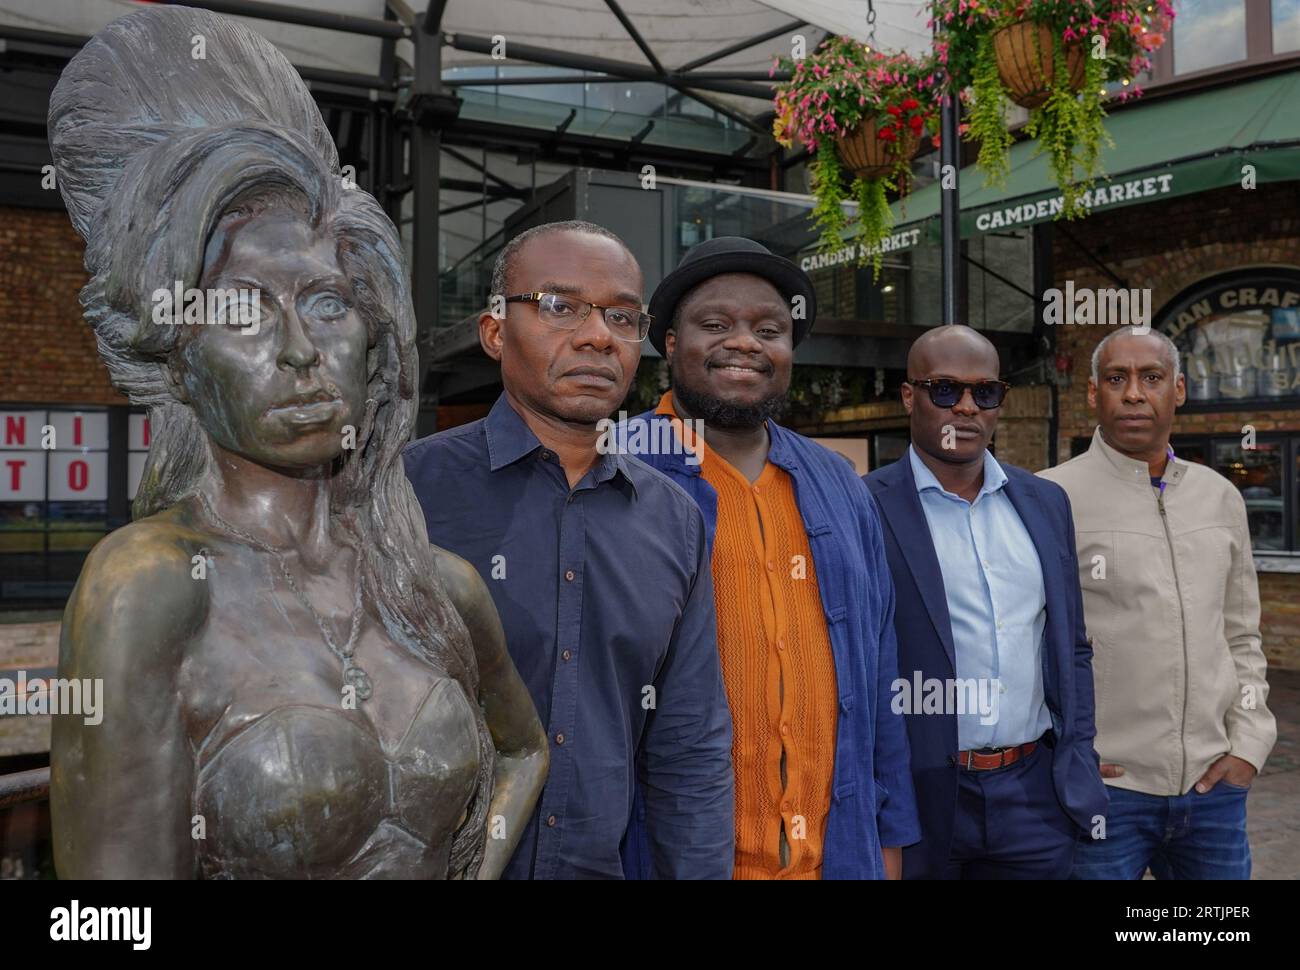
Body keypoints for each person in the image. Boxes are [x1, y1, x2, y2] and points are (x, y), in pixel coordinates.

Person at [48, 5, 547, 879]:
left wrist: (477, 864)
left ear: (376, 343)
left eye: (326, 304)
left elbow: (525, 750)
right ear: (178, 358)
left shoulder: (438, 588)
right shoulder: (151, 590)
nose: (297, 353)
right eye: (241, 310)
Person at [403, 220, 734, 879]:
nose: (596, 336)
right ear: (495, 331)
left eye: (621, 316)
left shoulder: (674, 521)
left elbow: (689, 747)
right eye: (559, 306)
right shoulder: (405, 496)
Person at [620, 236, 920, 879]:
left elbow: (880, 671)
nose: (746, 343)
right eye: (716, 324)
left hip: (833, 859)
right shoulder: (620, 471)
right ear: (671, 343)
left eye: (769, 329)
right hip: (673, 858)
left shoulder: (838, 484)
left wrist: (888, 842)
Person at [864, 325, 1108, 879]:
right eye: (945, 390)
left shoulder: (1046, 503)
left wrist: (1079, 761)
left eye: (986, 392)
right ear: (910, 396)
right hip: (920, 795)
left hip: (1034, 797)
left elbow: (1071, 647)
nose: (967, 407)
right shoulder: (864, 505)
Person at [1039, 327, 1276, 879]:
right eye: (1116, 379)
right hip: (1105, 794)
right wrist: (1069, 759)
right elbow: (1031, 642)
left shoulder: (1220, 496)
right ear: (1093, 394)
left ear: (1180, 389)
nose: (1134, 394)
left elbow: (1241, 636)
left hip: (1213, 790)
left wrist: (1249, 743)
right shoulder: (1050, 497)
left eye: (1151, 378)